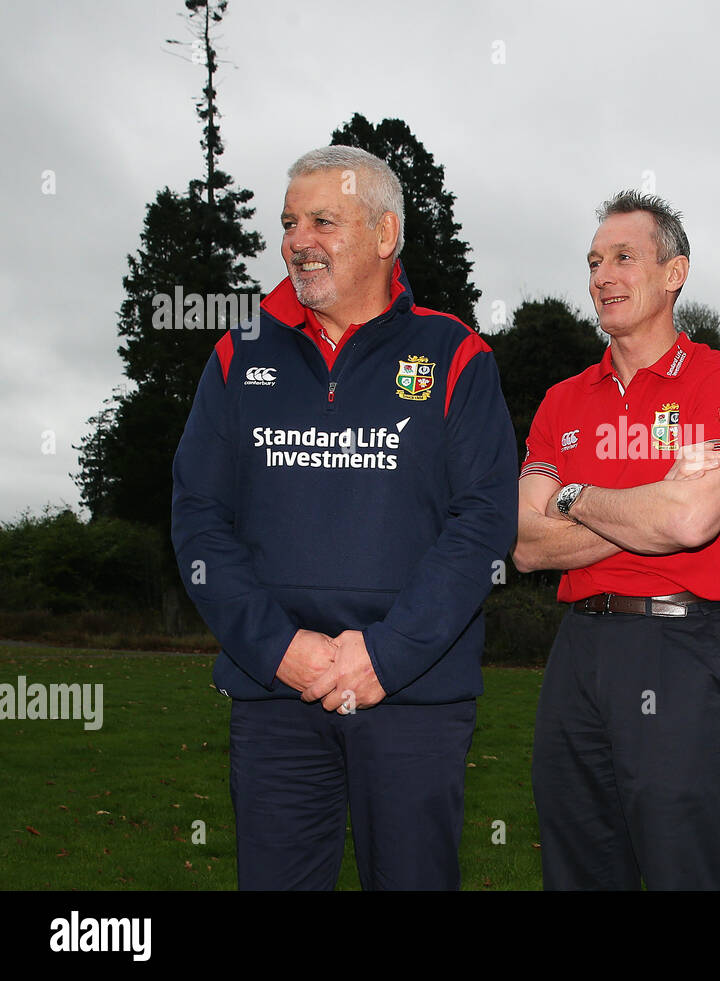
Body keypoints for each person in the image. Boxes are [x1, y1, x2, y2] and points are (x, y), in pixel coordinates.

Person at [171, 145, 516, 890]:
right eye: (290, 222)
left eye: (324, 220)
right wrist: (277, 647)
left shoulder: (455, 354)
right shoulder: (238, 354)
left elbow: (482, 522)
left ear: (385, 235)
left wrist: (386, 655)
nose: (299, 240)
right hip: (277, 694)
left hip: (412, 694)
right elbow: (199, 518)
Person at [513, 189, 720, 890]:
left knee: (686, 863)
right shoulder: (563, 399)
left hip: (682, 646)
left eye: (624, 257)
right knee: (579, 862)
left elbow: (689, 523)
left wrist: (574, 497)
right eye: (594, 261)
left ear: (673, 273)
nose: (602, 276)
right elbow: (527, 544)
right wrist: (646, 508)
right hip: (580, 649)